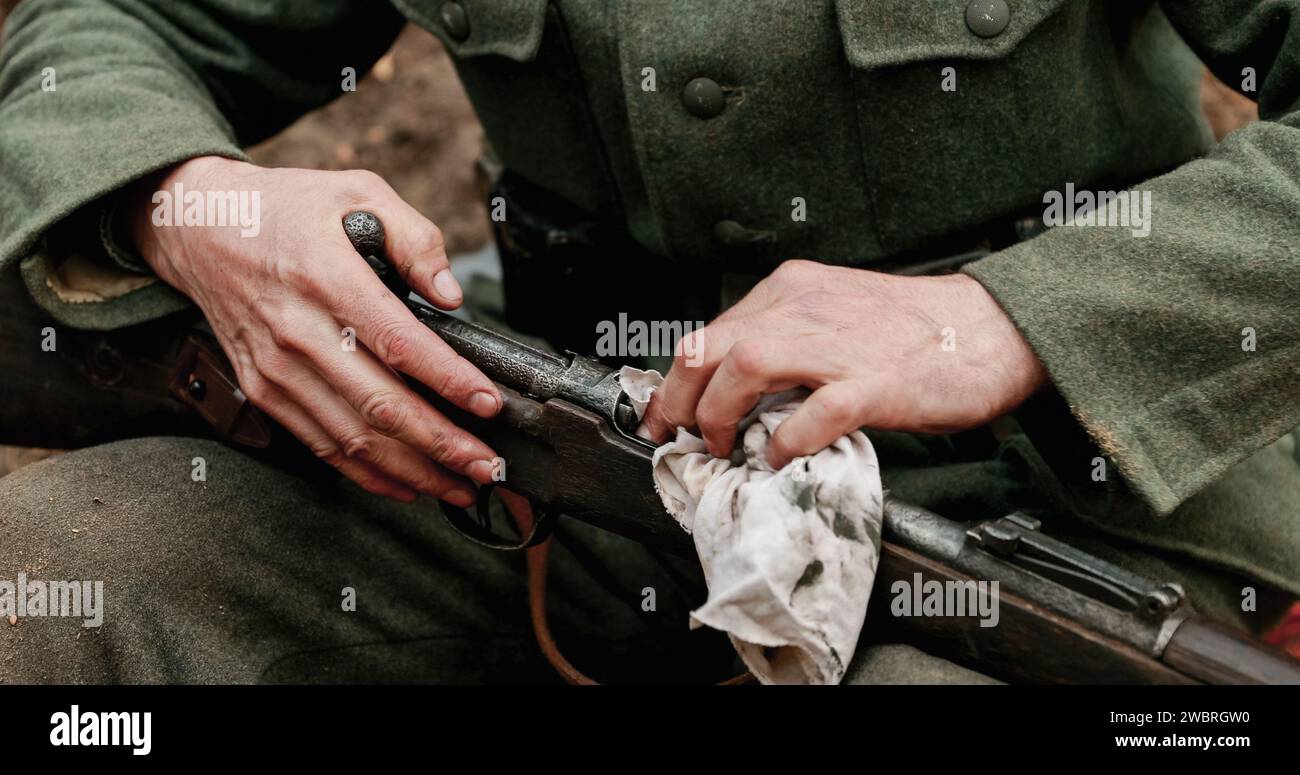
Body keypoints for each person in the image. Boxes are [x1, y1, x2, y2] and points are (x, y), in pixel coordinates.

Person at [0, 0, 1296, 684]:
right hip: (562, 458)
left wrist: (1011, 314)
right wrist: (181, 201)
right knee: (46, 594)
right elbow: (118, 26)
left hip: (1061, 495)